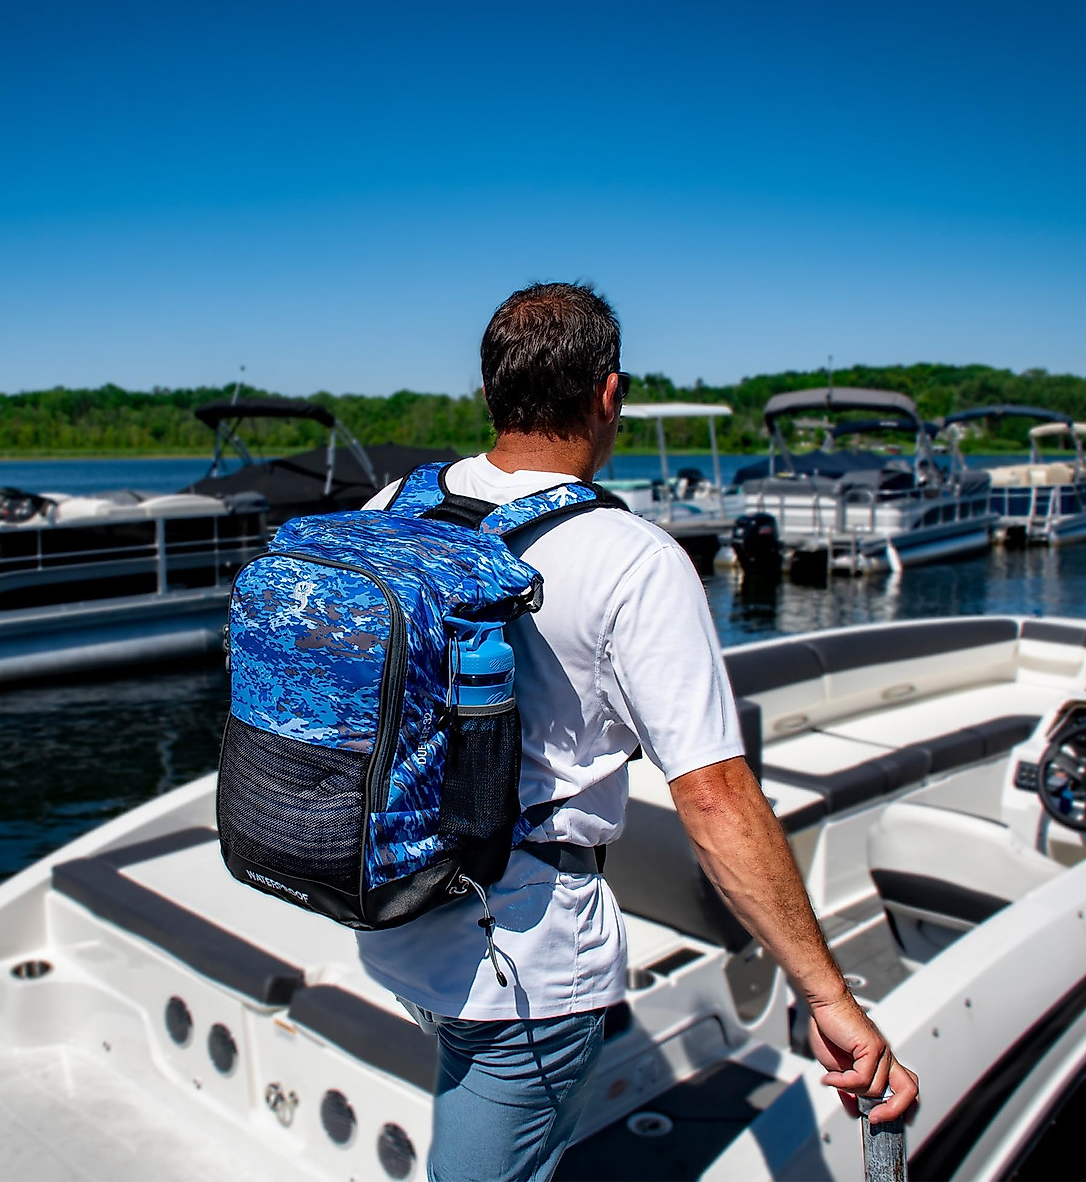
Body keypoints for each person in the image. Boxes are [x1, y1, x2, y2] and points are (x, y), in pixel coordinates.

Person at [357, 282, 918, 1182]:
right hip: (522, 964)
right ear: (609, 395)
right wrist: (830, 997)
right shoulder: (635, 558)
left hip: (390, 910)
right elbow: (714, 798)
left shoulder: (395, 504)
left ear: (493, 391)